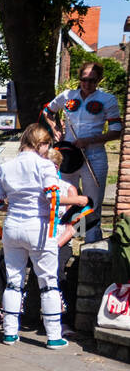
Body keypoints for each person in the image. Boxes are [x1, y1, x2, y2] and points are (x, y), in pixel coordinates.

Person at [0, 124, 87, 348]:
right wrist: (76, 202)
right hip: (39, 228)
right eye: (47, 145)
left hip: (13, 226)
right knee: (48, 282)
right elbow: (53, 198)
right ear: (41, 143)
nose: (48, 150)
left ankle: (10, 333)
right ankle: (54, 336)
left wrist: (15, 206)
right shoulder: (45, 166)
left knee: (14, 281)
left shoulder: (5, 167)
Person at [42, 61, 122, 243]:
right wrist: (56, 130)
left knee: (91, 202)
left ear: (99, 79)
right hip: (68, 156)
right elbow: (47, 111)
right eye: (83, 79)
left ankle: (89, 241)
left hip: (93, 156)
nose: (87, 84)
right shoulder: (67, 95)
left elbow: (117, 131)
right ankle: (64, 241)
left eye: (92, 80)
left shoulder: (107, 99)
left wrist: (89, 140)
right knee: (64, 199)